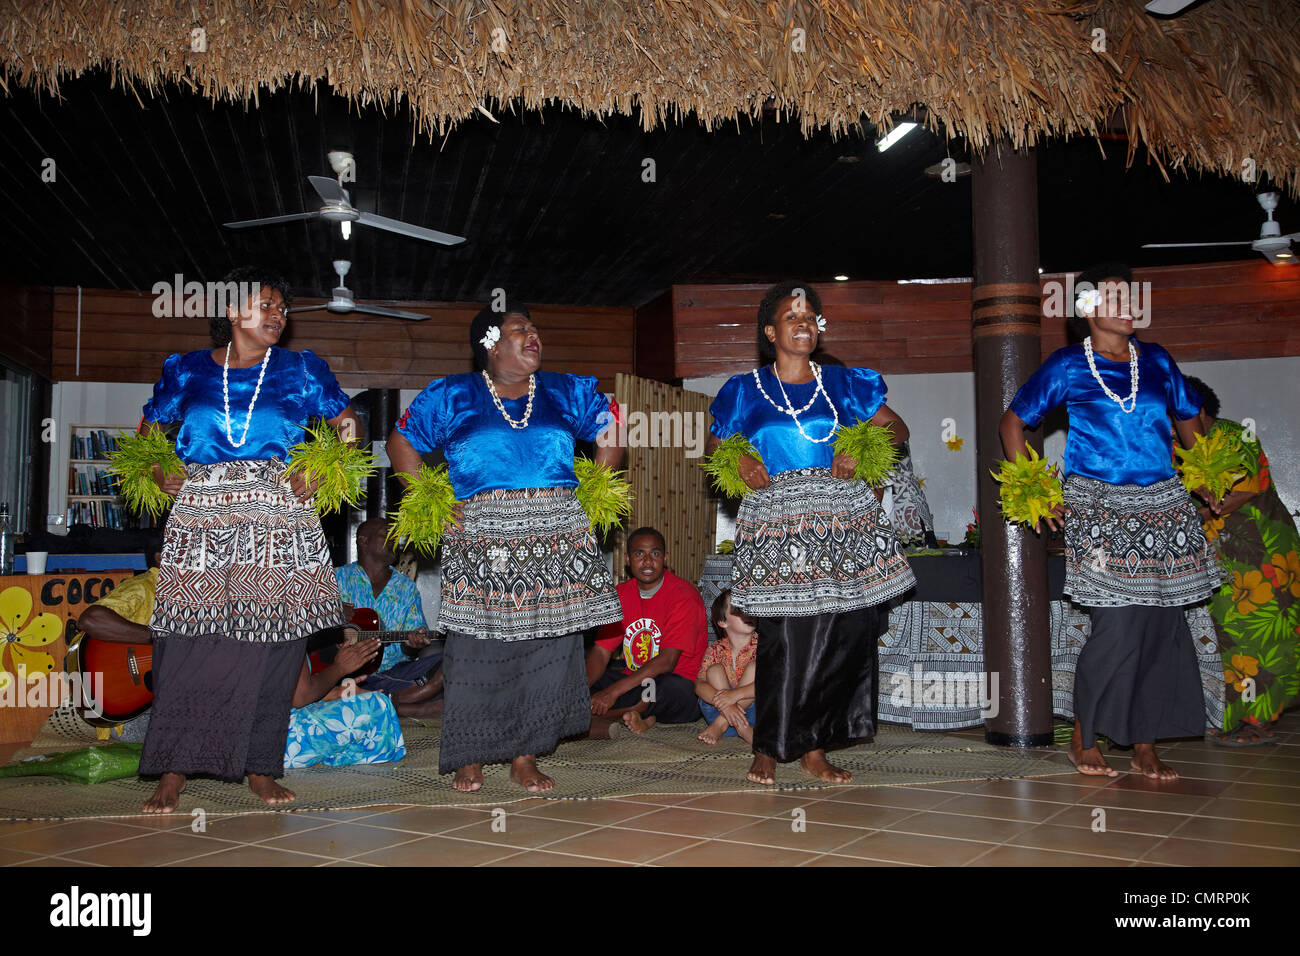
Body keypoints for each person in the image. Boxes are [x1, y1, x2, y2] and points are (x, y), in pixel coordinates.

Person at [136, 266, 362, 812]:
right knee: (189, 644)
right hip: (201, 520)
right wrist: (160, 469)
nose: (278, 314)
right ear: (232, 311)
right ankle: (174, 768)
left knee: (274, 649)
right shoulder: (186, 370)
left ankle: (261, 767)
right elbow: (146, 437)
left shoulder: (301, 369)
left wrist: (324, 470)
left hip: (279, 518)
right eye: (266, 304)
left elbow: (348, 425)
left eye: (282, 307)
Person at [999, 261, 1222, 780]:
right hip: (1099, 507)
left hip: (1164, 505)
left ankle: (1144, 743)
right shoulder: (1067, 366)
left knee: (1160, 627)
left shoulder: (1159, 360)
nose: (1128, 307)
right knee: (1117, 627)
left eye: (1131, 297)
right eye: (1115, 297)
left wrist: (1205, 468)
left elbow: (1188, 415)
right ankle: (1085, 733)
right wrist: (1034, 489)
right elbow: (1014, 422)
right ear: (1086, 310)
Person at [387, 304, 623, 793]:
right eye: (521, 329)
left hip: (555, 534)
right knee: (477, 650)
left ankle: (524, 756)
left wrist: (596, 483)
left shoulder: (562, 389)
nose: (533, 335)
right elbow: (400, 441)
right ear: (491, 344)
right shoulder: (454, 394)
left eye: (535, 328)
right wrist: (429, 499)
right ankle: (470, 756)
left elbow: (612, 423)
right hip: (482, 534)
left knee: (547, 652)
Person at [706, 280, 916, 785]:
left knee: (838, 635)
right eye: (792, 316)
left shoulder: (843, 384)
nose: (803, 324)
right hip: (775, 526)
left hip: (840, 522)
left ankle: (815, 746)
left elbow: (898, 429)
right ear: (770, 331)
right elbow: (715, 448)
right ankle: (769, 745)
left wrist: (858, 449)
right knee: (783, 637)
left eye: (810, 317)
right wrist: (740, 457)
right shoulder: (743, 391)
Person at [1180, 377, 1299, 747]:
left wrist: (1187, 516)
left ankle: (1258, 720)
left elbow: (1242, 489)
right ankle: (1226, 717)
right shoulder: (1175, 445)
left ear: (1196, 409)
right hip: (1218, 556)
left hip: (1260, 555)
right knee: (1223, 636)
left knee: (1263, 635)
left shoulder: (1233, 435)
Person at [586, 528, 709, 737]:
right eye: (639, 554)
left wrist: (612, 692)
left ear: (665, 558)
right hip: (633, 683)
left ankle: (609, 716)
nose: (648, 561)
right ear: (627, 559)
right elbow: (601, 652)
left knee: (661, 688)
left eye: (655, 554)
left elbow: (667, 662)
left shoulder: (683, 596)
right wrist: (578, 689)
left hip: (675, 685)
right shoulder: (621, 595)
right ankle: (623, 713)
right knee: (580, 669)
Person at [332, 517, 443, 718]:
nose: (395, 539)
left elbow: (408, 647)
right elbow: (309, 629)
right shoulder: (336, 580)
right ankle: (415, 704)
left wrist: (413, 644)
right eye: (386, 534)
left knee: (455, 660)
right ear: (364, 541)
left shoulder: (406, 588)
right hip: (346, 676)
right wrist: (335, 616)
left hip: (395, 673)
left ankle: (383, 701)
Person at [696, 589, 758, 744]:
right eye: (738, 609)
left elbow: (773, 683)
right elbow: (699, 685)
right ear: (722, 622)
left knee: (755, 668)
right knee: (714, 670)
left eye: (749, 607)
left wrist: (735, 695)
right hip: (717, 710)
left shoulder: (765, 646)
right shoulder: (716, 649)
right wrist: (727, 706)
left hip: (754, 712)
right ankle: (731, 720)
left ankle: (723, 724)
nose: (747, 613)